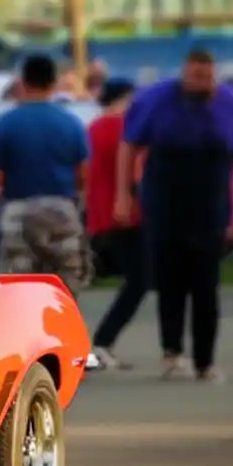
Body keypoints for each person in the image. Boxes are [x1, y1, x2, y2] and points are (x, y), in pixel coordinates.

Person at [117, 49, 233, 382]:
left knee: (206, 285)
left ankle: (205, 361)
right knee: (169, 282)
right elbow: (129, 146)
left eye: (208, 77)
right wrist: (124, 196)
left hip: (210, 206)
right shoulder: (154, 100)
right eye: (196, 76)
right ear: (183, 74)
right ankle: (171, 351)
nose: (202, 83)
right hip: (164, 202)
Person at [0, 54, 92, 293]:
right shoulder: (71, 123)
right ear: (54, 83)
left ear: (22, 82)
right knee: (65, 285)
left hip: (18, 211)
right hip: (62, 208)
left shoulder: (5, 123)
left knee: (19, 286)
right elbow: (84, 173)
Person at [86, 79, 145, 370]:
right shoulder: (128, 128)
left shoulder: (93, 128)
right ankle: (102, 342)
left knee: (135, 276)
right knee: (141, 279)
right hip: (128, 214)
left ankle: (102, 343)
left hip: (100, 214)